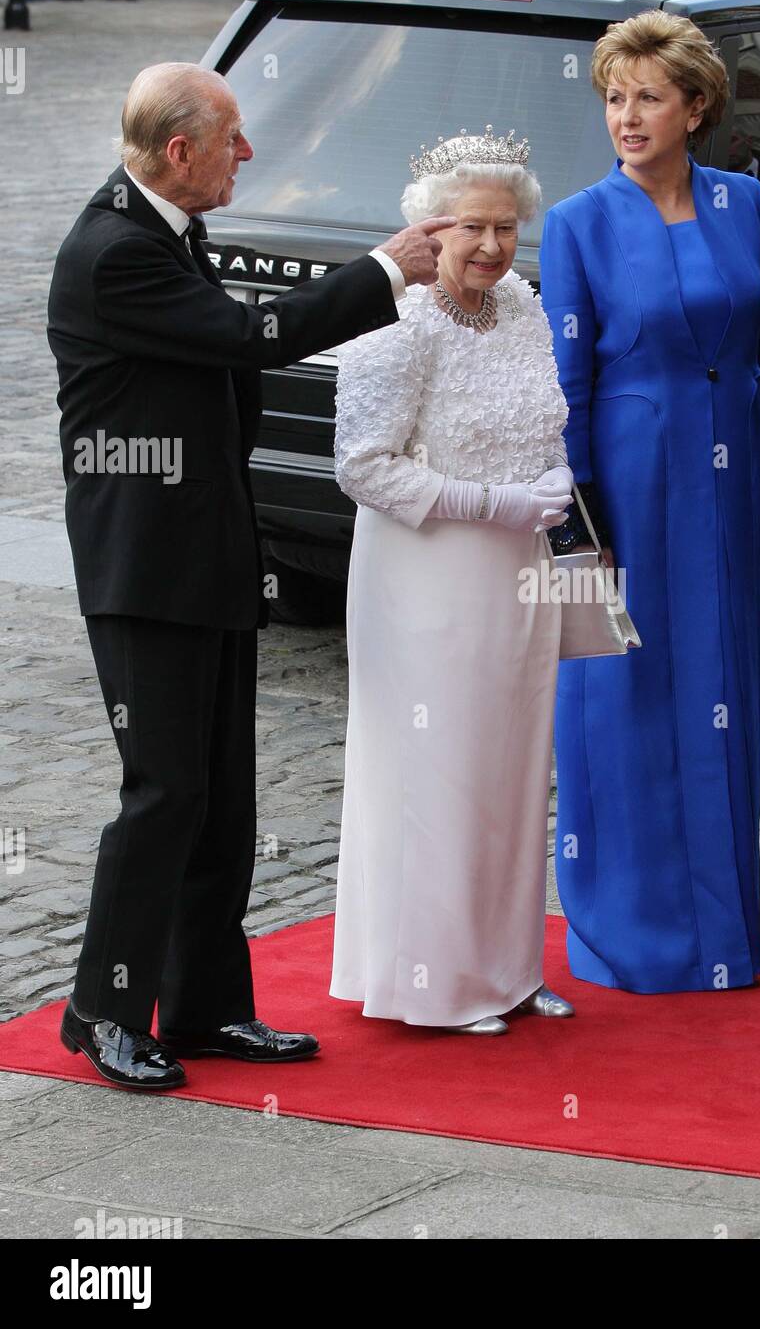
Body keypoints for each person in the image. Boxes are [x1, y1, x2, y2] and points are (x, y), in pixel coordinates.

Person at [46, 62, 454, 1089]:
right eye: (234, 136)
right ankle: (103, 1010)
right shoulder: (111, 253)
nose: (250, 152)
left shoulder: (165, 230)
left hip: (210, 555)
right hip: (144, 569)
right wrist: (384, 268)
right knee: (165, 792)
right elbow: (249, 336)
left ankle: (206, 1006)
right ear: (179, 151)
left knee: (221, 799)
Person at [539, 12, 760, 994]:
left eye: (649, 96)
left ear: (696, 107)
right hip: (621, 501)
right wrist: (577, 532)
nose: (628, 115)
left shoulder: (744, 203)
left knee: (724, 689)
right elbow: (563, 385)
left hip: (728, 499)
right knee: (614, 705)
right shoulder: (575, 223)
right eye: (614, 97)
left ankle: (724, 932)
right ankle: (629, 932)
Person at [329, 127, 576, 1035]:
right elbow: (362, 467)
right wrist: (489, 500)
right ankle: (436, 980)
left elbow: (540, 419)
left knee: (513, 768)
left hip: (521, 567)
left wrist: (552, 486)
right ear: (428, 229)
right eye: (469, 226)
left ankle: (507, 968)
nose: (489, 246)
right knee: (441, 768)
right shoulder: (395, 319)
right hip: (426, 569)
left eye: (506, 227)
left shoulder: (520, 304)